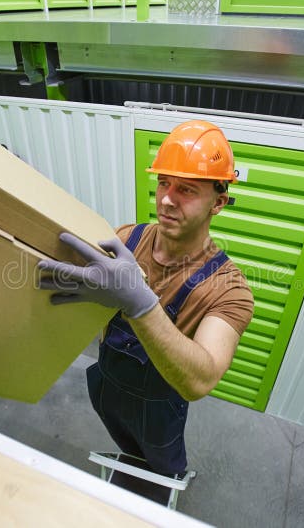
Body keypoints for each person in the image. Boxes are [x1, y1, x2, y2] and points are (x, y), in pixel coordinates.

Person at [38, 120, 254, 475]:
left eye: (186, 189)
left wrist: (140, 304)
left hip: (158, 407)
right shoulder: (124, 238)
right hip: (106, 384)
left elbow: (202, 380)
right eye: (164, 183)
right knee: (125, 444)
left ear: (219, 202)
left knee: (162, 464)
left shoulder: (229, 289)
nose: (167, 199)